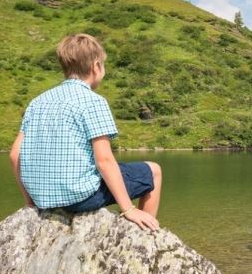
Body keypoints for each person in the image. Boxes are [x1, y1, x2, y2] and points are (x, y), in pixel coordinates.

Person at [10, 33, 161, 231]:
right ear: (96, 66)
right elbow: (104, 161)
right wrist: (128, 209)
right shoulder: (93, 101)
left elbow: (14, 155)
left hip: (41, 198)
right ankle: (147, 233)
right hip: (79, 198)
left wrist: (31, 202)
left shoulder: (37, 102)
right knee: (154, 171)